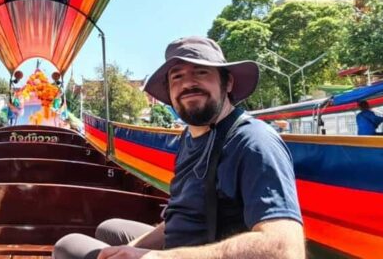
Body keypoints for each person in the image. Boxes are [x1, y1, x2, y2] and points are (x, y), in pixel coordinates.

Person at [54, 37, 304, 259]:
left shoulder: (253, 142)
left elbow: (285, 250)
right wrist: (133, 248)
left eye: (201, 72)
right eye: (178, 76)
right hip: (182, 244)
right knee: (109, 229)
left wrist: (155, 257)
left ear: (227, 83)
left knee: (68, 245)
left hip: (205, 251)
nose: (188, 84)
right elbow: (180, 216)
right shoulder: (190, 138)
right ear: (170, 92)